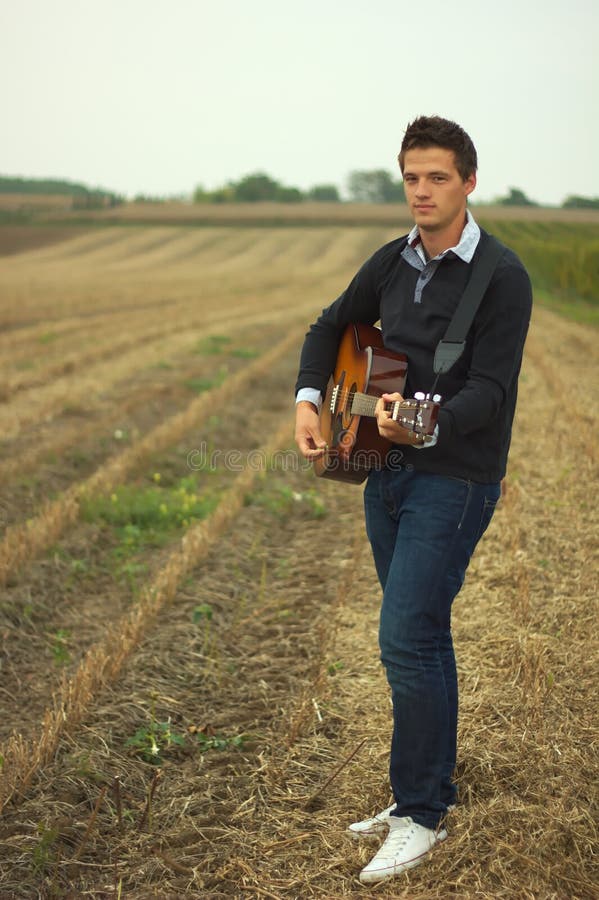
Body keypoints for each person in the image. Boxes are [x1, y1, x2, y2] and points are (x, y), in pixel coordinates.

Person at [294, 116, 532, 885]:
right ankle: (418, 798)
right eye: (410, 177)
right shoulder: (391, 260)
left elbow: (490, 391)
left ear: (467, 181)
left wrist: (426, 420)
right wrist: (308, 400)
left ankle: (421, 814)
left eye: (435, 177)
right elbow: (332, 324)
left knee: (404, 636)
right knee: (420, 637)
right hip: (383, 474)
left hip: (454, 479)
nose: (421, 192)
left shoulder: (500, 276)